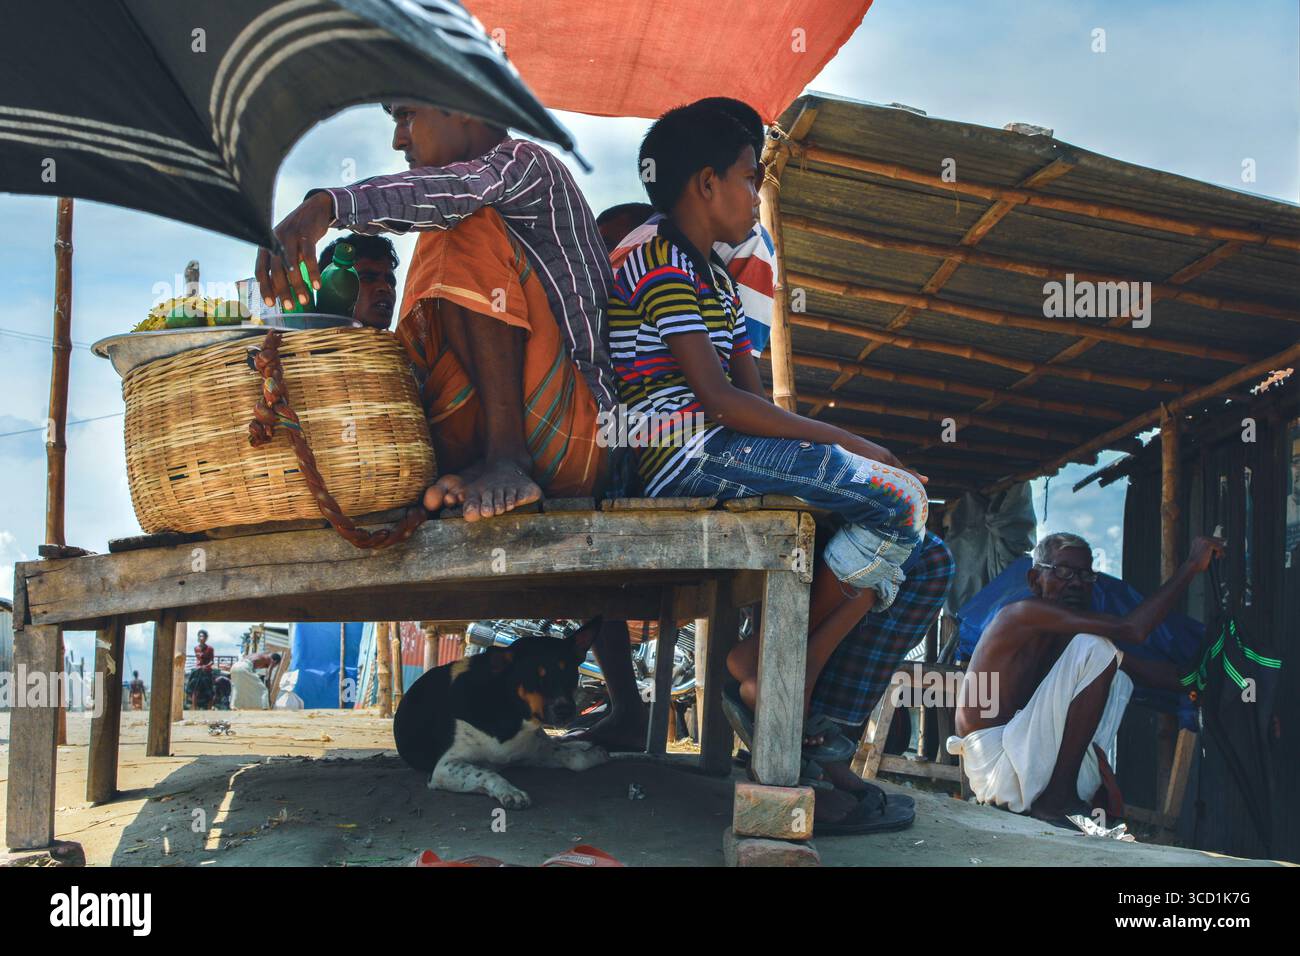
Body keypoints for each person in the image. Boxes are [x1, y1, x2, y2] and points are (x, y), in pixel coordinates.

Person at [608, 100, 930, 773]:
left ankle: (783, 677)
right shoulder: (658, 257)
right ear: (706, 184)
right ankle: (778, 678)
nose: (756, 194)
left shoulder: (716, 280)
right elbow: (720, 402)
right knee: (897, 501)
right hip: (683, 457)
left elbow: (751, 401)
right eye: (749, 177)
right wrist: (852, 445)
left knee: (922, 548)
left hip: (724, 449)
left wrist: (841, 451)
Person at [255, 101, 619, 521]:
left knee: (461, 223)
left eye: (407, 115)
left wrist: (327, 207)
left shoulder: (527, 163)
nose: (398, 140)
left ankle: (507, 456)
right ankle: (465, 467)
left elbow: (457, 192)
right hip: (485, 433)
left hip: (579, 440)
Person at [949, 532, 1225, 825]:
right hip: (998, 766)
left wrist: (1231, 683)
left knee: (1117, 672)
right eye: (1063, 572)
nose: (1077, 583)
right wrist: (1192, 566)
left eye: (1085, 575)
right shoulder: (1021, 615)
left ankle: (1065, 795)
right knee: (1098, 649)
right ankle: (1056, 802)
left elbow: (1145, 670)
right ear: (1034, 580)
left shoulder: (1071, 635)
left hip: (1026, 768)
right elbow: (1134, 630)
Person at [318, 233, 398, 330]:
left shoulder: (409, 343)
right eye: (367, 278)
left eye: (391, 282)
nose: (385, 287)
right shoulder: (304, 343)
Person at [187, 629, 216, 710]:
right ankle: (194, 707)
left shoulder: (210, 648)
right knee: (194, 688)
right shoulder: (196, 648)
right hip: (198, 670)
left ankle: (209, 707)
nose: (201, 638)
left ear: (206, 638)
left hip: (206, 671)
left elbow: (212, 661)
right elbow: (198, 660)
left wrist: (206, 666)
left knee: (209, 689)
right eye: (200, 636)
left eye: (203, 636)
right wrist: (198, 666)